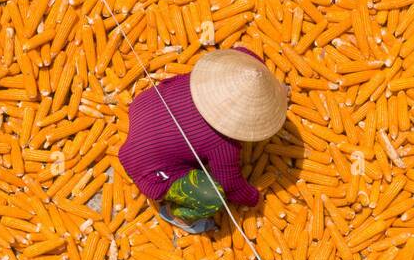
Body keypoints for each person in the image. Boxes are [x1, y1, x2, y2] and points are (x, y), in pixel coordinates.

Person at [117, 46, 288, 232]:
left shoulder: (199, 81)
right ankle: (174, 214)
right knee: (213, 196)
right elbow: (230, 184)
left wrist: (270, 88)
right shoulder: (223, 143)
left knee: (182, 140)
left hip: (144, 107)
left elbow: (244, 56)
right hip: (149, 171)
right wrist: (255, 198)